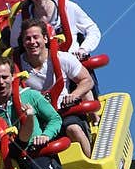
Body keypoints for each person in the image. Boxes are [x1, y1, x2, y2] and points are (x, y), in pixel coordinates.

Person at [16, 19, 93, 154]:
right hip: (37, 118)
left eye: (36, 37)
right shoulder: (17, 65)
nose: (32, 42)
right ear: (23, 42)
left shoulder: (61, 58)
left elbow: (87, 80)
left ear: (45, 38)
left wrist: (73, 95)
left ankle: (91, 162)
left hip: (63, 110)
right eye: (27, 39)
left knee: (73, 129)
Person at [7, 0, 101, 57]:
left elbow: (93, 30)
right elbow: (15, 46)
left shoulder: (68, 7)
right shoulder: (23, 17)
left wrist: (83, 49)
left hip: (72, 62)